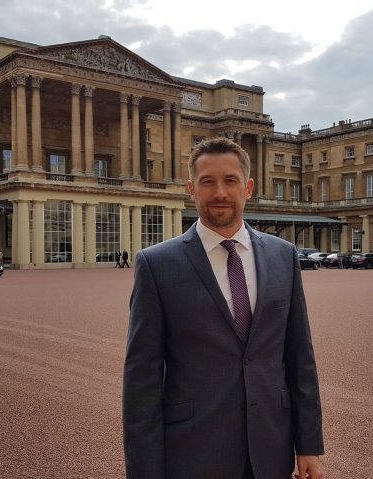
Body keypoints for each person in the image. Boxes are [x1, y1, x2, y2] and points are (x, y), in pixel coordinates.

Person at [123, 138, 324, 479]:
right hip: (194, 452)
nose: (219, 192)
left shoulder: (283, 256)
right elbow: (141, 382)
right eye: (207, 182)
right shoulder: (156, 264)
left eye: (230, 181)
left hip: (271, 449)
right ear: (191, 189)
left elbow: (299, 357)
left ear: (247, 188)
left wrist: (308, 444)